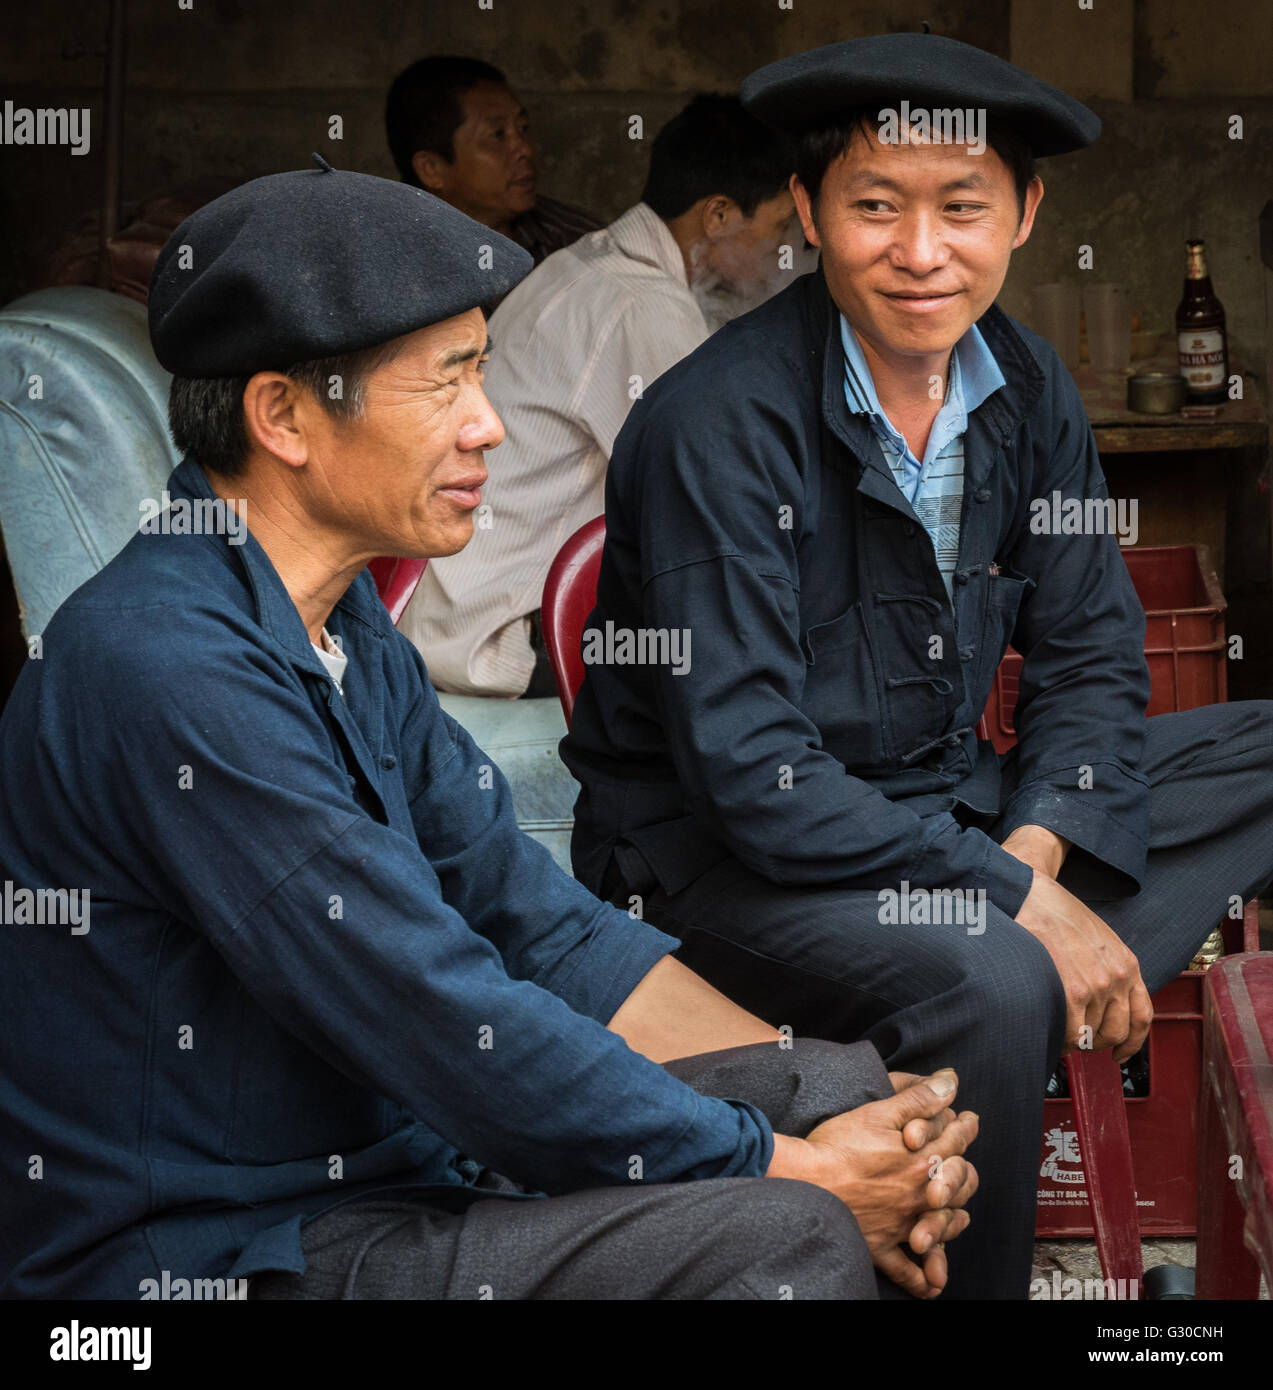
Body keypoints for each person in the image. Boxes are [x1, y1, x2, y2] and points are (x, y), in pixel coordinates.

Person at [0, 156, 978, 1301]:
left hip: (394, 1166)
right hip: (217, 1249)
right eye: (447, 383)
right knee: (788, 1234)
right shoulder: (168, 669)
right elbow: (430, 1005)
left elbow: (536, 921)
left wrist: (829, 1128)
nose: (491, 427)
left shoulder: (342, 622)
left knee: (841, 1092)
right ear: (283, 415)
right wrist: (792, 1174)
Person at [560, 32, 1273, 1299]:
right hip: (724, 862)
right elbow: (753, 775)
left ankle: (1037, 975)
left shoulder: (1025, 389)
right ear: (808, 211)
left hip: (947, 815)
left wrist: (1039, 855)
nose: (922, 252)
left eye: (962, 208)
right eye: (875, 207)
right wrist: (1016, 906)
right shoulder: (713, 427)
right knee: (992, 974)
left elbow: (1093, 647)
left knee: (1256, 748)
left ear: (1026, 213)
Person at [400, 94, 797, 699]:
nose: (786, 253)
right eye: (779, 228)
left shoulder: (585, 263)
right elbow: (716, 499)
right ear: (717, 215)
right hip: (502, 635)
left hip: (449, 608)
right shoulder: (646, 307)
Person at [385, 54, 602, 271]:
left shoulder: (580, 242)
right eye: (497, 135)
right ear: (431, 169)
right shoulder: (385, 262)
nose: (525, 149)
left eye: (523, 128)